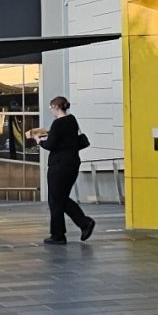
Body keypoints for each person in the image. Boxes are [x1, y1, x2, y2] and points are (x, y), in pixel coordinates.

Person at [25, 96, 95, 246]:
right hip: (73, 163)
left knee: (56, 199)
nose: (51, 110)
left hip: (59, 165)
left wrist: (39, 140)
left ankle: (65, 232)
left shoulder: (58, 123)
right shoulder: (72, 120)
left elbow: (50, 145)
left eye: (51, 108)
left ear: (56, 107)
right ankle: (75, 227)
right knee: (60, 198)